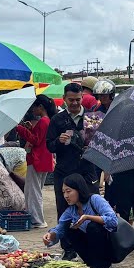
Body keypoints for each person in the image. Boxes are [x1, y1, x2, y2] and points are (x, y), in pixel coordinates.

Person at [44, 175, 121, 268]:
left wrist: (88, 217)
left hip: (110, 245)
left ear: (79, 190)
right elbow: (60, 228)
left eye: (68, 191)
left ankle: (104, 266)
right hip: (91, 247)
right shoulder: (71, 210)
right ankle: (91, 263)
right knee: (70, 229)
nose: (66, 196)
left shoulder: (95, 199)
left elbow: (113, 221)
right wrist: (50, 235)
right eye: (63, 192)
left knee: (93, 226)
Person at [46, 83, 98, 221]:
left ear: (82, 97)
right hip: (64, 171)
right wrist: (58, 141)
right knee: (64, 210)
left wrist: (92, 147)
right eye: (71, 100)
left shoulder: (91, 117)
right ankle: (66, 241)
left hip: (87, 170)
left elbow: (101, 143)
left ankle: (90, 240)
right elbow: (49, 146)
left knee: (91, 207)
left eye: (78, 99)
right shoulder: (57, 119)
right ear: (64, 98)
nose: (75, 103)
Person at [15, 96, 56, 228]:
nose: (33, 109)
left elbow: (36, 140)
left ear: (41, 107)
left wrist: (20, 129)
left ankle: (37, 220)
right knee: (34, 189)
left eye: (35, 106)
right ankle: (34, 217)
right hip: (43, 159)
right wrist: (29, 128)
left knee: (33, 191)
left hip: (37, 159)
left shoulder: (44, 121)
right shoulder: (46, 121)